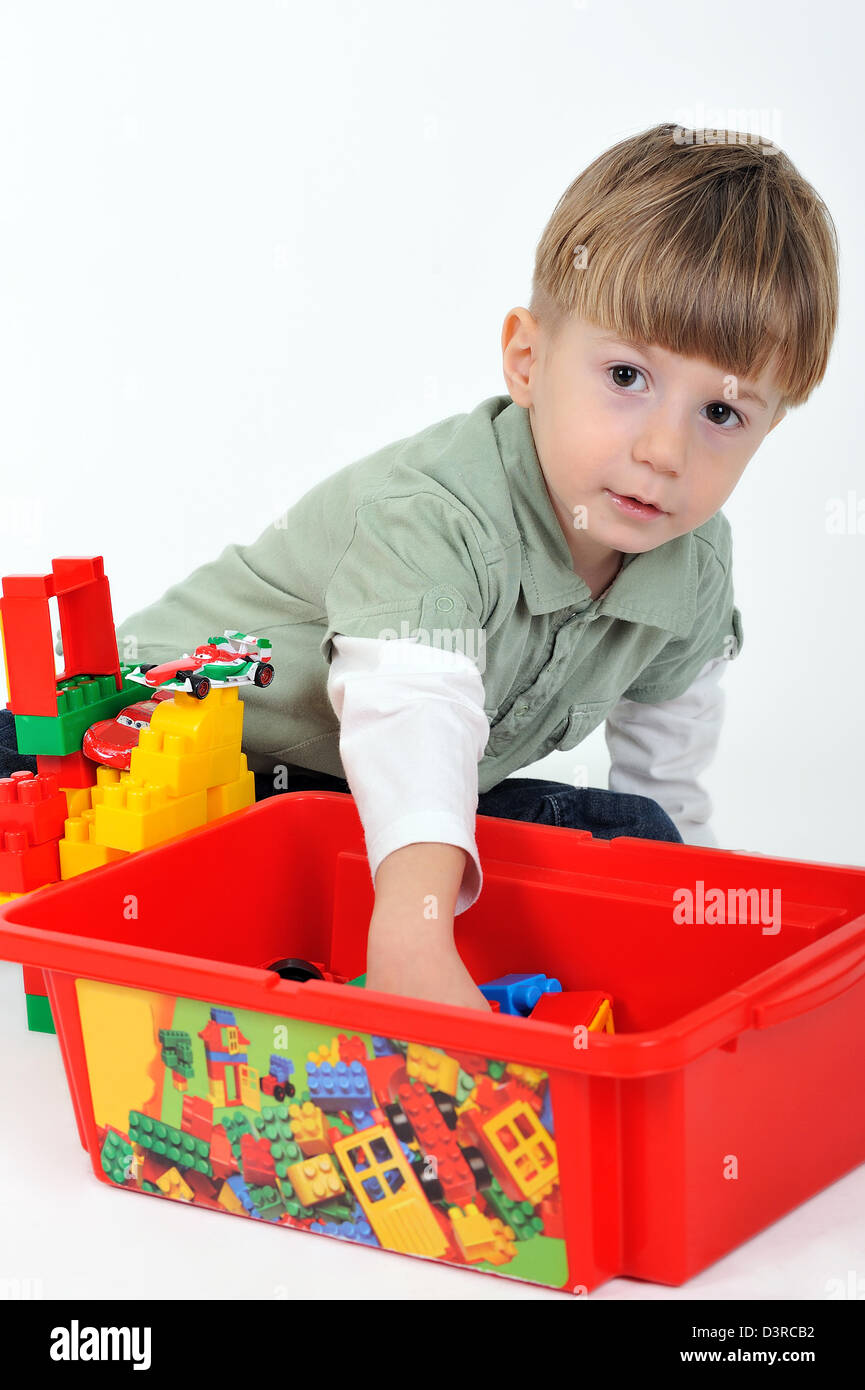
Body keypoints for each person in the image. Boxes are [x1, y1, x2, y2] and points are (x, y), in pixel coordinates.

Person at [38, 121, 838, 1011]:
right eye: (624, 377)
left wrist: (674, 919)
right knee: (25, 773)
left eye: (721, 416)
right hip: (160, 749)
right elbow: (412, 714)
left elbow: (668, 752)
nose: (662, 450)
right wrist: (415, 933)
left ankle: (321, 937)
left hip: (353, 809)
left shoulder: (689, 566)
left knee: (635, 835)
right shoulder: (436, 513)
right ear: (527, 361)